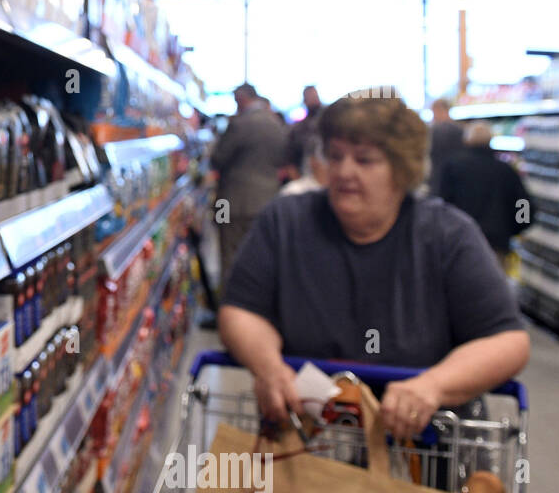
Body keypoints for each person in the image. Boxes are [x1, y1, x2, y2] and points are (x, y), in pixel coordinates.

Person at [218, 88, 529, 438]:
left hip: (421, 449)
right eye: (335, 156)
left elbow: (507, 341)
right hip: (304, 439)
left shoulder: (447, 235)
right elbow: (242, 309)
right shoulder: (286, 221)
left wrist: (433, 385)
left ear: (401, 169)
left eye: (364, 160)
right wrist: (269, 367)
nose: (344, 171)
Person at [209, 83, 289, 290]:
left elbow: (218, 159)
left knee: (228, 253)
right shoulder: (276, 123)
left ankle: (228, 308)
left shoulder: (239, 124)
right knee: (260, 256)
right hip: (266, 200)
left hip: (229, 204)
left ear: (242, 99)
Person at [440, 124, 530, 266]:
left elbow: (444, 205)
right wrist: (515, 228)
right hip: (496, 245)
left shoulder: (453, 167)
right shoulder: (505, 170)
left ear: (466, 141)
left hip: (460, 244)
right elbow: (523, 203)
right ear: (491, 142)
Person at [282, 85, 324, 181]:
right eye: (310, 97)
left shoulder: (329, 122)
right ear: (304, 101)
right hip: (305, 177)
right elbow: (290, 158)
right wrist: (298, 180)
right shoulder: (298, 129)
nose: (314, 100)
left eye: (315, 97)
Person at [427, 97, 464, 197]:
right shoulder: (460, 130)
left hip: (437, 179)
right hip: (458, 180)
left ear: (439, 110)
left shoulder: (432, 131)